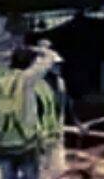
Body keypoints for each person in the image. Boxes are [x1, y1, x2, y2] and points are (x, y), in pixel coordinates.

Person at [0, 46, 56, 179]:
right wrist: (39, 49)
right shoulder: (28, 78)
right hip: (26, 143)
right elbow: (50, 58)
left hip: (4, 142)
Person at [34, 49, 66, 179]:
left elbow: (65, 104)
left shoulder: (60, 83)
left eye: (58, 64)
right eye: (54, 64)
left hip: (56, 133)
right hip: (41, 136)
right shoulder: (36, 84)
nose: (57, 67)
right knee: (42, 170)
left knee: (58, 169)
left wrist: (76, 122)